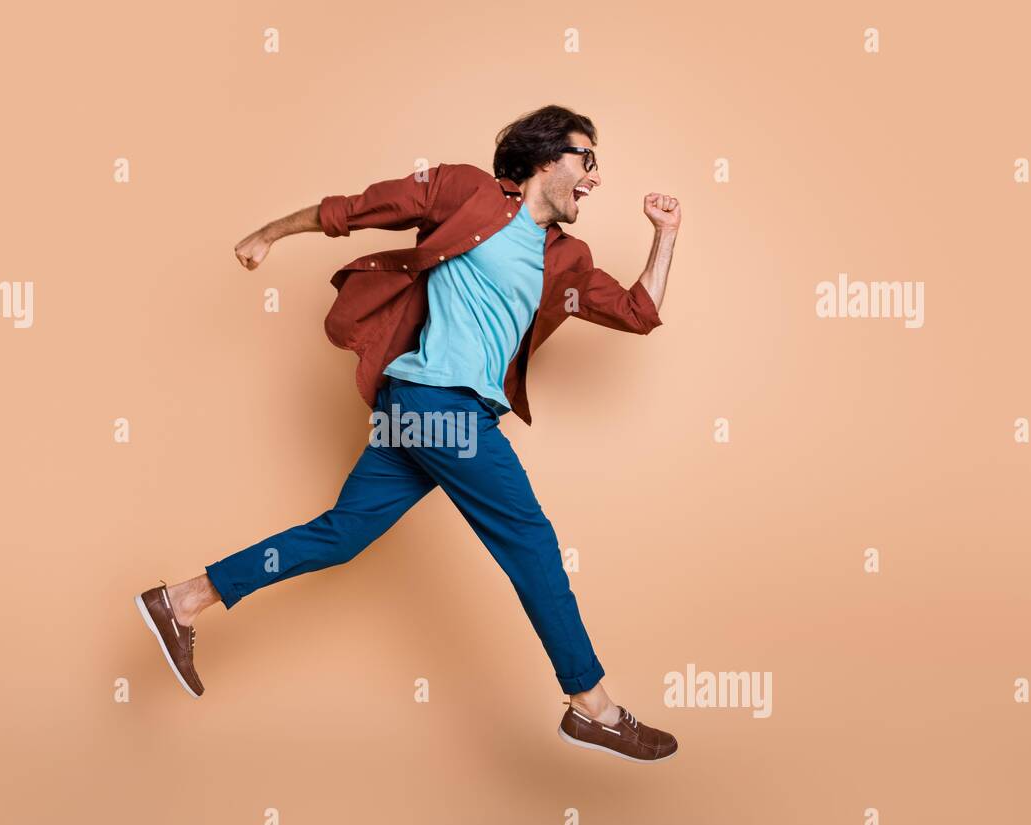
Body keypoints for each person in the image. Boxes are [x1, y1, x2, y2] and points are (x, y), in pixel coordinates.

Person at [135, 105, 682, 763]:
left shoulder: (564, 258)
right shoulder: (467, 193)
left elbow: (637, 312)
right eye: (585, 159)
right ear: (544, 156)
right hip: (437, 403)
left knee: (344, 533)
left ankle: (182, 600)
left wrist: (667, 234)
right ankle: (592, 707)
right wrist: (268, 233)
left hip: (423, 412)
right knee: (531, 542)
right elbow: (358, 209)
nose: (595, 177)